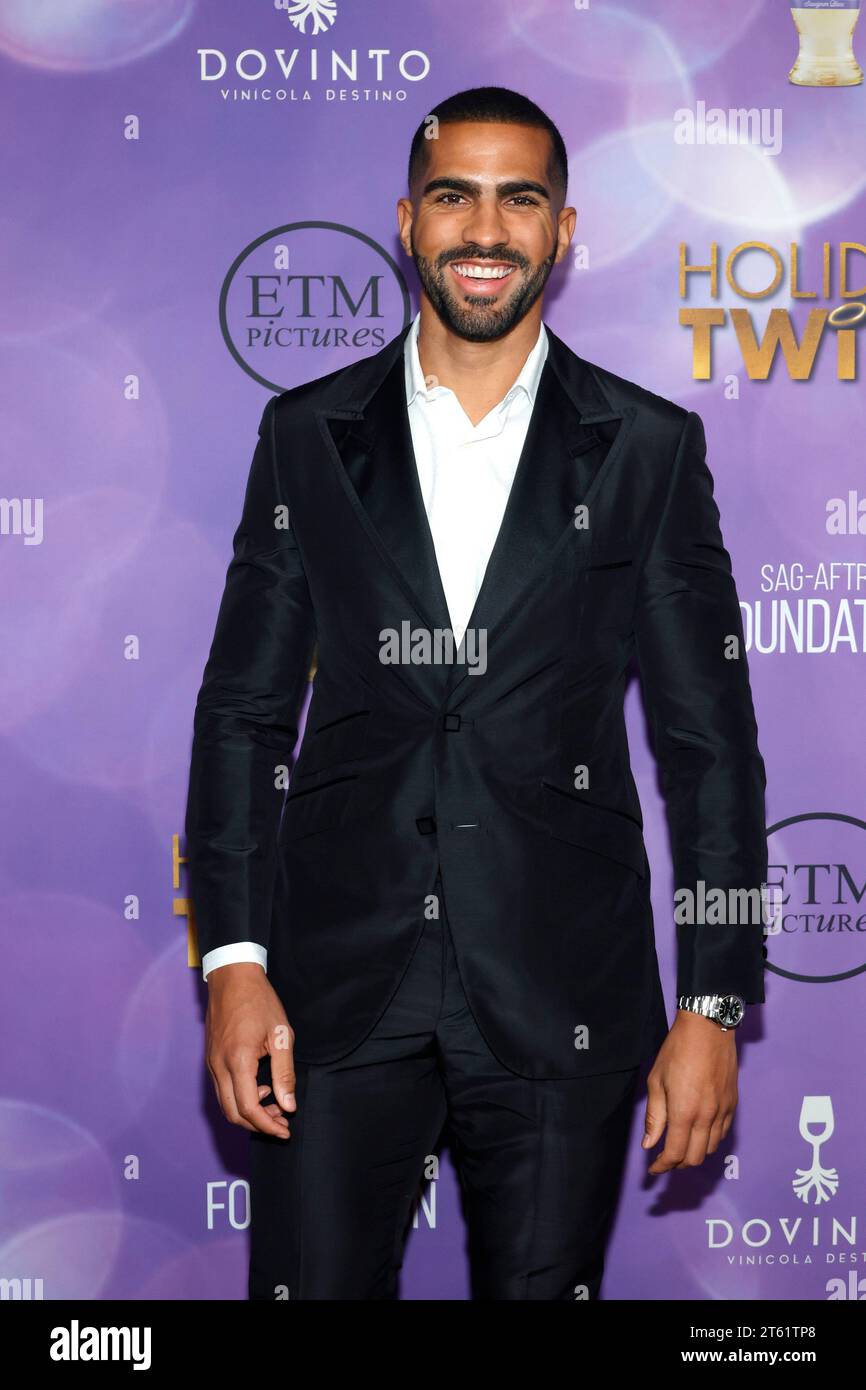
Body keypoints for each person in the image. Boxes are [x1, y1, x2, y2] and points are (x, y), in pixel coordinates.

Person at [185, 86, 768, 1301]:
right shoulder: (306, 435)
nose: (485, 228)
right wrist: (233, 959)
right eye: (454, 195)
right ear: (407, 221)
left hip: (565, 986)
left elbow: (709, 745)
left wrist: (713, 999)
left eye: (520, 198)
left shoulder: (645, 447)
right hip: (332, 993)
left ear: (564, 230)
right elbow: (242, 712)